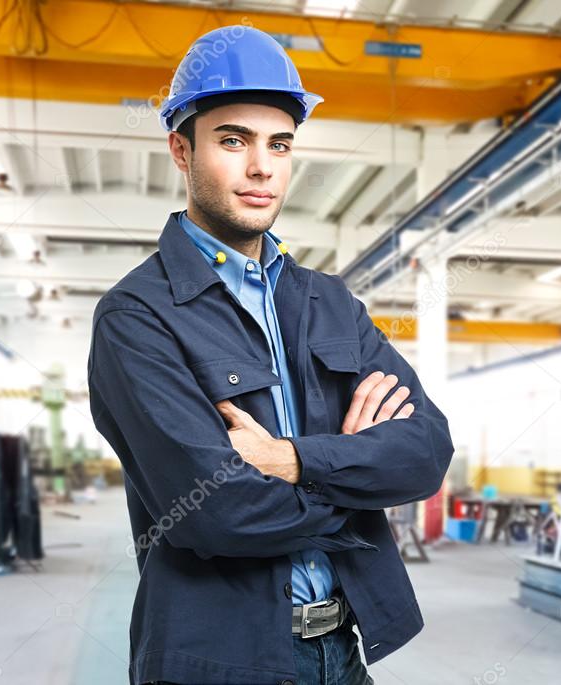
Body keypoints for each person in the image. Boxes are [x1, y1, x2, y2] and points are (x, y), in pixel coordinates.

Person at [87, 25, 454, 685]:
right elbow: (217, 512)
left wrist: (291, 460)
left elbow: (428, 451)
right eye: (233, 140)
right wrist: (362, 487)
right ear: (180, 147)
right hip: (221, 661)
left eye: (278, 144)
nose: (262, 167)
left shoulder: (329, 301)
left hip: (342, 652)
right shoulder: (136, 317)